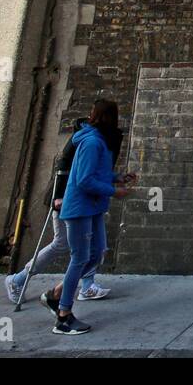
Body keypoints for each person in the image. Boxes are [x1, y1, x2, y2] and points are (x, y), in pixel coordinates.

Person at [40, 99, 134, 334]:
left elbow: (97, 173)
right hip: (80, 207)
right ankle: (63, 316)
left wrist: (117, 177)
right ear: (110, 118)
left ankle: (56, 294)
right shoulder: (92, 142)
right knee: (80, 258)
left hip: (92, 207)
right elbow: (84, 180)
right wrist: (115, 191)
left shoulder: (98, 141)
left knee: (96, 254)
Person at [3, 125, 114, 304]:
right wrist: (58, 196)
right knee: (61, 243)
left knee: (92, 246)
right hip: (66, 200)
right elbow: (63, 167)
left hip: (82, 202)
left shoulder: (95, 140)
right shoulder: (85, 139)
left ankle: (87, 285)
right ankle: (18, 280)